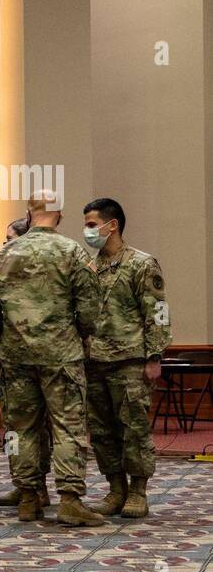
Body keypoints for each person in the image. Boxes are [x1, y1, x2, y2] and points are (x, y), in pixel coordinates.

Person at [0, 189, 103, 526]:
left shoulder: (4, 255)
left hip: (14, 357)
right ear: (59, 214)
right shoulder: (72, 252)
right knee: (67, 428)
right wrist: (80, 336)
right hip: (60, 355)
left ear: (29, 213)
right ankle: (70, 500)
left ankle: (28, 497)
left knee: (19, 431)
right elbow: (90, 309)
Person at [81, 198, 171, 519]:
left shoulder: (142, 264)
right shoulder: (90, 269)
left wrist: (154, 356)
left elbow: (158, 313)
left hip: (130, 361)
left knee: (133, 428)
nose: (88, 232)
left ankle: (137, 491)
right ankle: (115, 488)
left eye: (92, 225)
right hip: (95, 363)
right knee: (102, 431)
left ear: (112, 225)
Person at [0, 216, 51, 510]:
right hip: (10, 362)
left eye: (9, 238)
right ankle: (23, 483)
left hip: (40, 363)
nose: (5, 245)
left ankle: (37, 485)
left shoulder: (45, 272)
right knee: (13, 429)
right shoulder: (2, 272)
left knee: (38, 430)